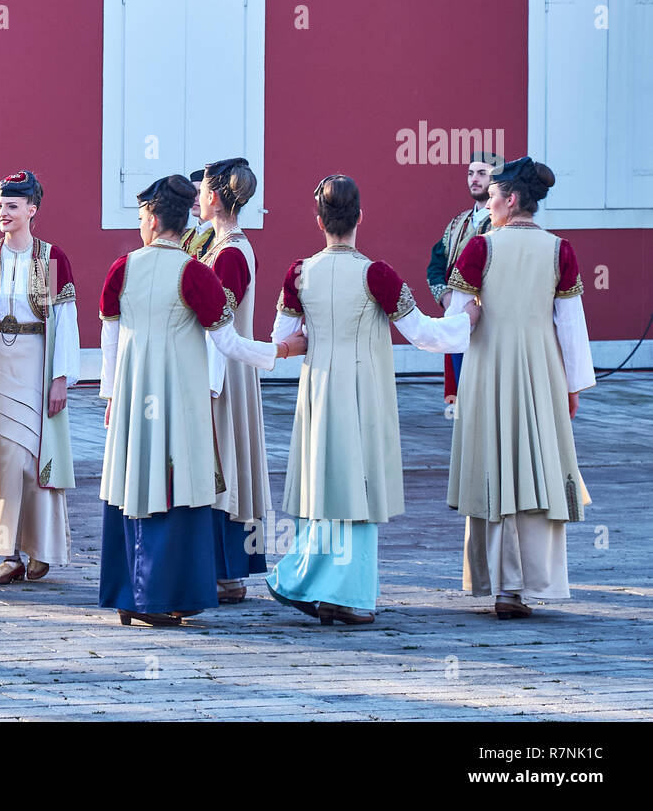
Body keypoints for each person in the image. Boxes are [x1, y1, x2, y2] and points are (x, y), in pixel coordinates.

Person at [267, 174, 476, 625]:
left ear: (318, 218)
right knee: (356, 488)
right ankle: (347, 596)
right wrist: (468, 319)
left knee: (321, 485)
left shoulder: (299, 272)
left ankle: (306, 580)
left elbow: (281, 336)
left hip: (319, 391)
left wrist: (312, 333)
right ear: (360, 216)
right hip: (363, 393)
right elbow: (422, 334)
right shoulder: (376, 274)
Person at [99, 175, 303, 627]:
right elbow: (228, 343)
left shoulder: (122, 268)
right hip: (180, 401)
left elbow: (109, 339)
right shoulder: (196, 274)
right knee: (175, 490)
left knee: (136, 485)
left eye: (139, 217)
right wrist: (281, 351)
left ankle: (132, 595)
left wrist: (112, 394)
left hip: (135, 399)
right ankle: (164, 596)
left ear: (152, 219)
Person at [445, 157, 594, 620]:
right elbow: (570, 327)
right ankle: (529, 582)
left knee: (494, 465)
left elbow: (455, 319)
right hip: (541, 371)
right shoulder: (559, 250)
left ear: (511, 199)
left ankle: (500, 584)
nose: (487, 205)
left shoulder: (480, 249)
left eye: (491, 197)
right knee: (536, 468)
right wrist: (571, 386)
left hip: (488, 367)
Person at [0, 171, 78, 584]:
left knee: (29, 459)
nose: (2, 213)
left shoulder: (53, 258)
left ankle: (39, 546)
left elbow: (65, 321)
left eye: (12, 205)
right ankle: (7, 553)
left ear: (32, 209)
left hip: (34, 362)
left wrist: (61, 377)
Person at [195, 158, 268, 603]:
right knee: (223, 458)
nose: (198, 198)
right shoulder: (217, 244)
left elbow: (216, 321)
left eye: (203, 190)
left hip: (222, 370)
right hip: (222, 365)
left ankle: (228, 573)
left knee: (225, 460)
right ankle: (222, 570)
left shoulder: (231, 253)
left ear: (216, 196)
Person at [427, 151, 500, 401]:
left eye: (482, 173)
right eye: (470, 173)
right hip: (458, 317)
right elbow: (435, 264)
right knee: (461, 391)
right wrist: (446, 298)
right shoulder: (458, 222)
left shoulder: (502, 223)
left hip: (492, 320)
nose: (474, 179)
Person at [180, 167, 215, 258]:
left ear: (213, 196)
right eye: (192, 192)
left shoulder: (222, 237)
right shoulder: (186, 237)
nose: (194, 198)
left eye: (200, 192)